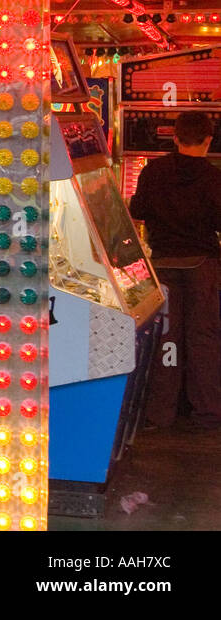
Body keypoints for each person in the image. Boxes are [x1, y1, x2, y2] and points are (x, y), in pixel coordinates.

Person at [128, 110, 221, 431]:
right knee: (204, 339)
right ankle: (207, 413)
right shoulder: (213, 177)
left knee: (167, 339)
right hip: (202, 266)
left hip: (163, 265)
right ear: (208, 139)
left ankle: (160, 414)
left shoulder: (154, 171)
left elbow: (137, 210)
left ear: (175, 137)